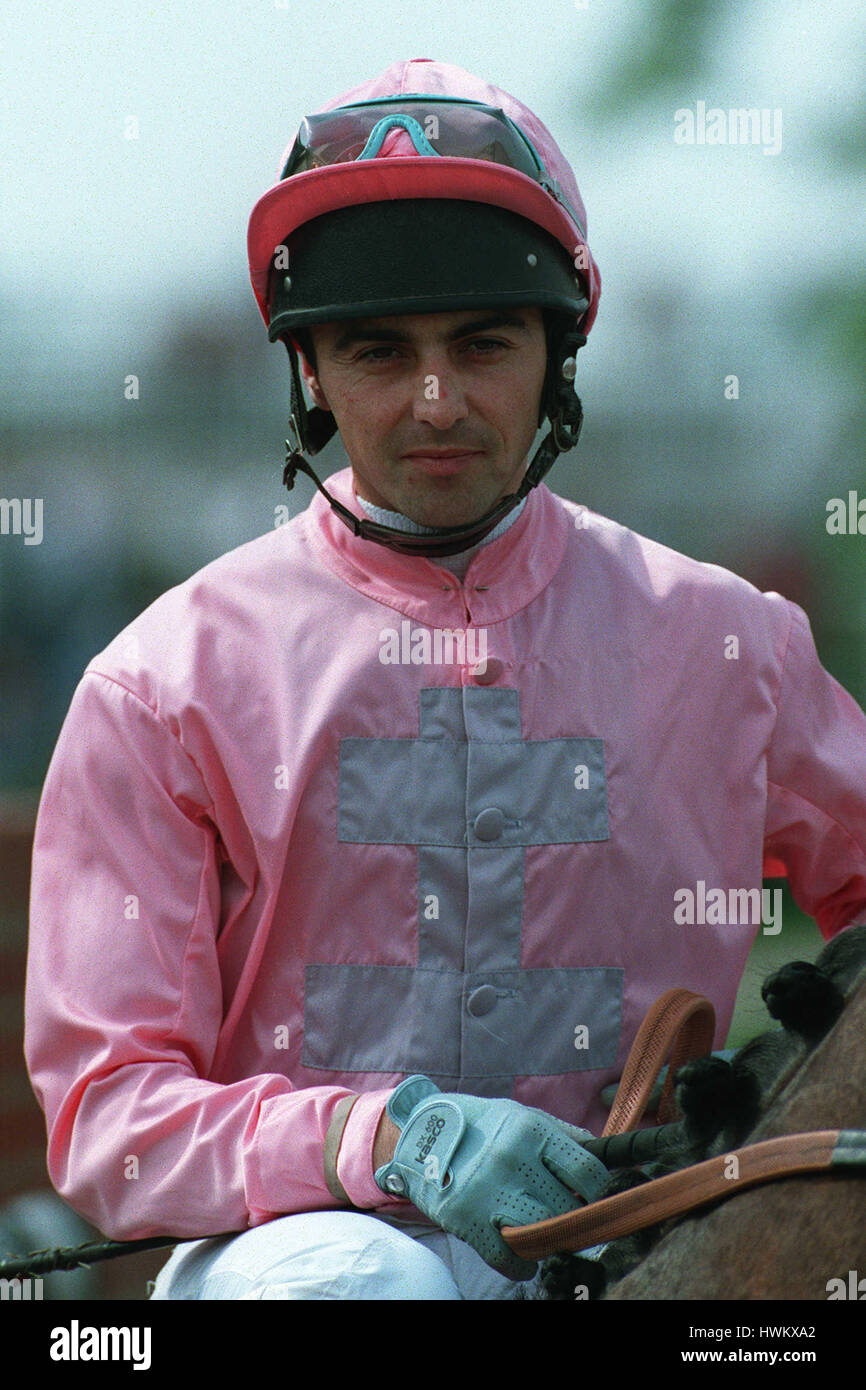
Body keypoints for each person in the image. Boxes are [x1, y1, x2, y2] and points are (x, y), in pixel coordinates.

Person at [24, 58, 866, 1302]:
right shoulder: (159, 684)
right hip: (299, 1251)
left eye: (481, 345)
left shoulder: (730, 642)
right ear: (308, 372)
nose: (436, 402)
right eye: (378, 351)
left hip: (646, 1232)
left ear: (556, 355)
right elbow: (111, 1118)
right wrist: (388, 1143)